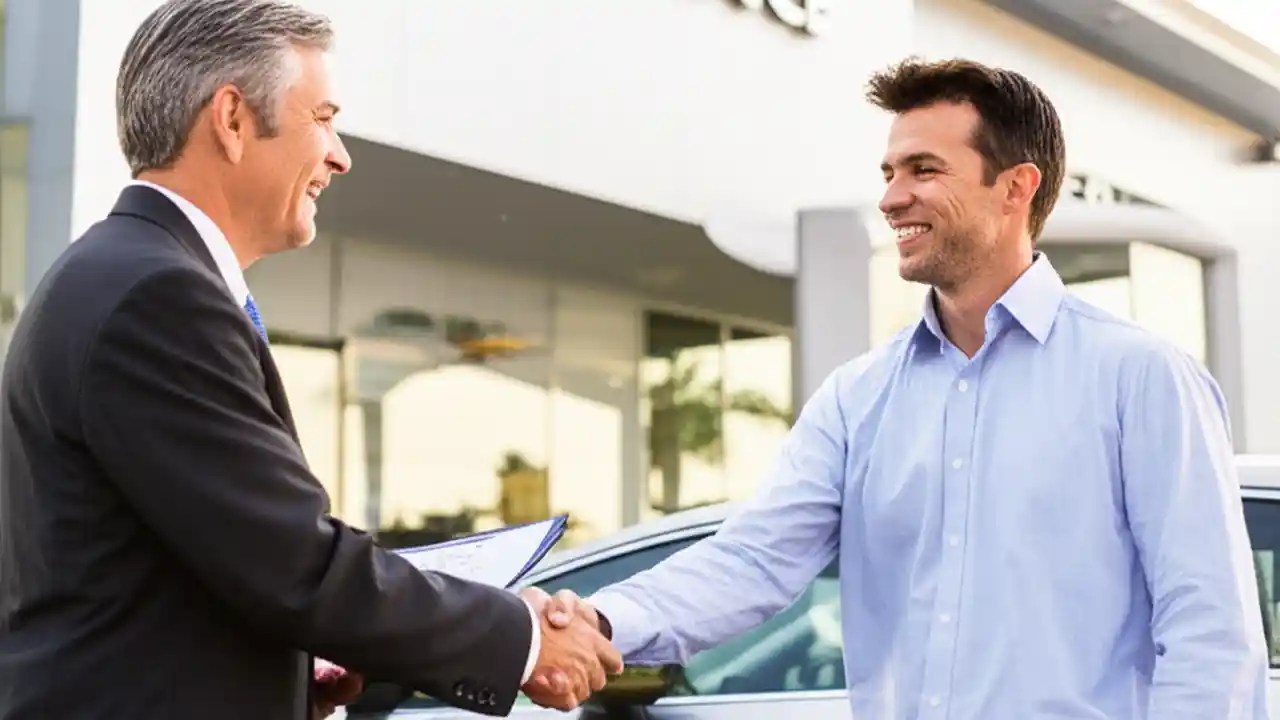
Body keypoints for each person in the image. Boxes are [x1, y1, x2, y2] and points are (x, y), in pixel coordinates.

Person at [534, 57, 1270, 718]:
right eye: (888, 172)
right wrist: (599, 623)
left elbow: (1210, 631)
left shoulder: (1140, 378)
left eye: (923, 170)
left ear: (1016, 187)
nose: (891, 198)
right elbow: (752, 562)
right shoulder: (857, 398)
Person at [0, 1, 619, 719]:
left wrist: (298, 676)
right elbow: (293, 562)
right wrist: (522, 641)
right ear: (232, 120)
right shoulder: (156, 296)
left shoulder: (120, 275)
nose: (339, 155)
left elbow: (211, 560)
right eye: (322, 118)